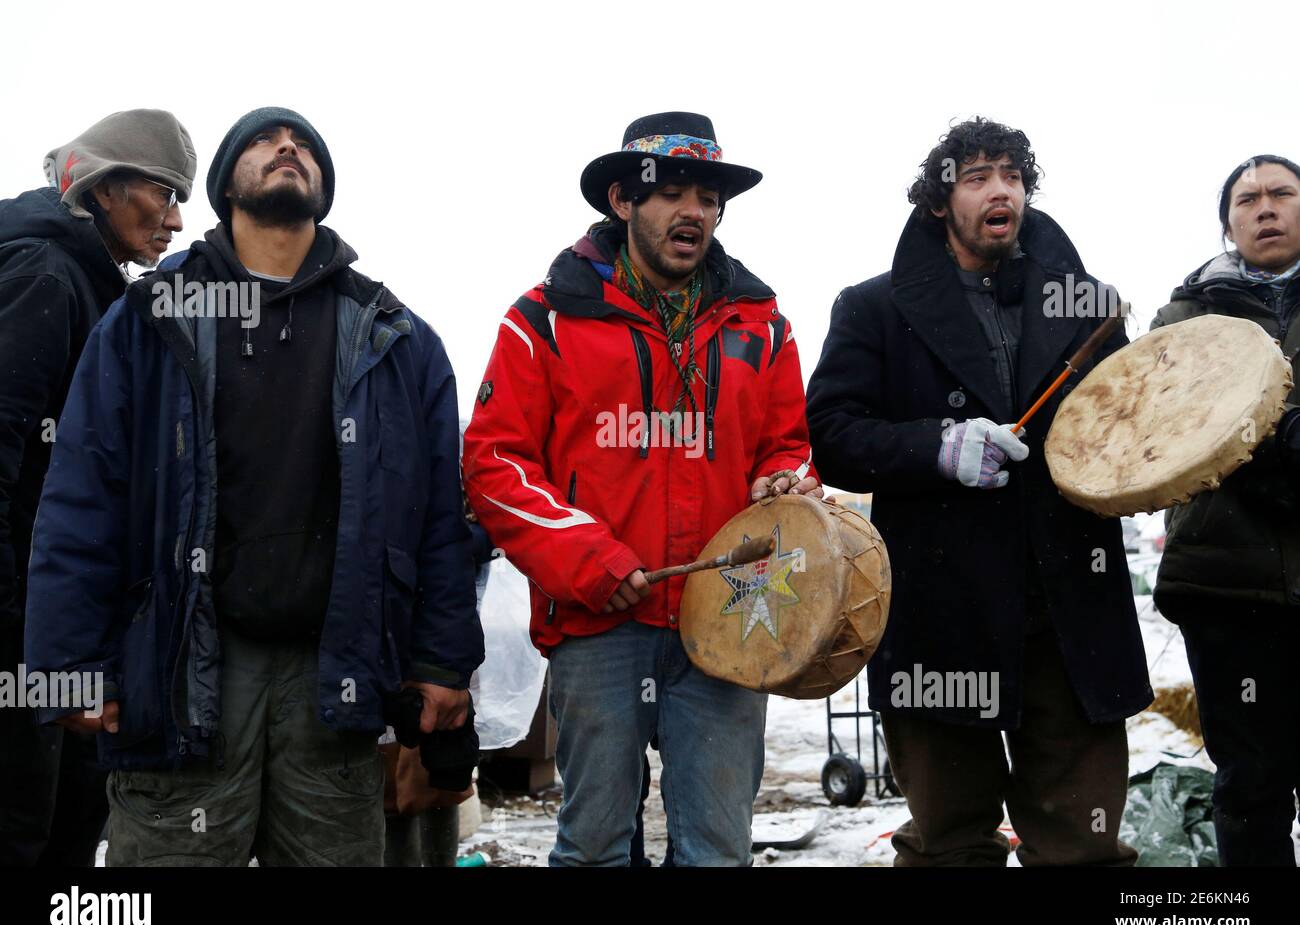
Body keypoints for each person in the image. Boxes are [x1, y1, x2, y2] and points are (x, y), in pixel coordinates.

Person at [24, 107, 484, 866]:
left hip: (333, 680)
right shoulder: (149, 319)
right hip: (180, 669)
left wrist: (441, 662)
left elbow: (438, 516)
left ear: (324, 187)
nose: (287, 147)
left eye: (303, 144)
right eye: (265, 141)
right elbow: (81, 497)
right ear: (222, 186)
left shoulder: (395, 336)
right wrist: (67, 666)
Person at [463, 112, 820, 866]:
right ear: (623, 200)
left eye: (711, 198)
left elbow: (791, 447)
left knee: (719, 849)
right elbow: (494, 465)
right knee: (593, 846)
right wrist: (590, 561)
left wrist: (788, 482)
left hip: (730, 616)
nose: (696, 211)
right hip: (600, 625)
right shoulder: (543, 321)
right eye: (675, 193)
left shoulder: (763, 326)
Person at [806, 117, 1152, 866]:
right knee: (950, 843)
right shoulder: (874, 309)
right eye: (977, 177)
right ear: (939, 201)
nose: (1001, 190)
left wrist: (1149, 469)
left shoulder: (1090, 309)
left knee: (1082, 846)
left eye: (1013, 176)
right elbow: (831, 433)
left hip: (1069, 617)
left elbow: (1128, 425)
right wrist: (937, 447)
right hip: (941, 616)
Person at [0, 109, 194, 867]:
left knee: (72, 827)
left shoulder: (96, 288)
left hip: (56, 635)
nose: (176, 219)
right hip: (20, 642)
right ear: (108, 189)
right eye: (165, 194)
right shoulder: (41, 277)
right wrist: (23, 638)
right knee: (25, 831)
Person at [1150, 154, 1300, 866]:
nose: (1265, 208)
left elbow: (1221, 432)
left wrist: (1242, 436)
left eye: (1282, 194)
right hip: (1225, 587)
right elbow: (1164, 431)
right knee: (1248, 788)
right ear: (1228, 222)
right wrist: (1278, 445)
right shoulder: (1185, 317)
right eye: (1247, 199)